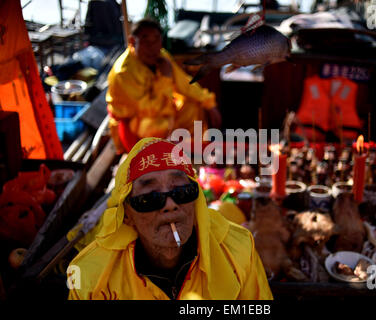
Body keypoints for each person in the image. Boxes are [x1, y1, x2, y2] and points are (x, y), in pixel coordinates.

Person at [67, 137, 273, 300]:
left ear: (196, 200)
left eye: (181, 191)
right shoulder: (92, 277)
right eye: (151, 197)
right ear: (127, 214)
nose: (170, 205)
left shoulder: (237, 250)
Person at [106, 18, 222, 153]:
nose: (152, 47)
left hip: (163, 109)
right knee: (158, 125)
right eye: (146, 41)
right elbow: (146, 109)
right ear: (132, 41)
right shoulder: (123, 73)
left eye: (156, 39)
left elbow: (185, 83)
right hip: (137, 121)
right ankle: (164, 157)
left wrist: (209, 103)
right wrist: (165, 79)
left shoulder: (162, 56)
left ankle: (193, 155)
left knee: (193, 108)